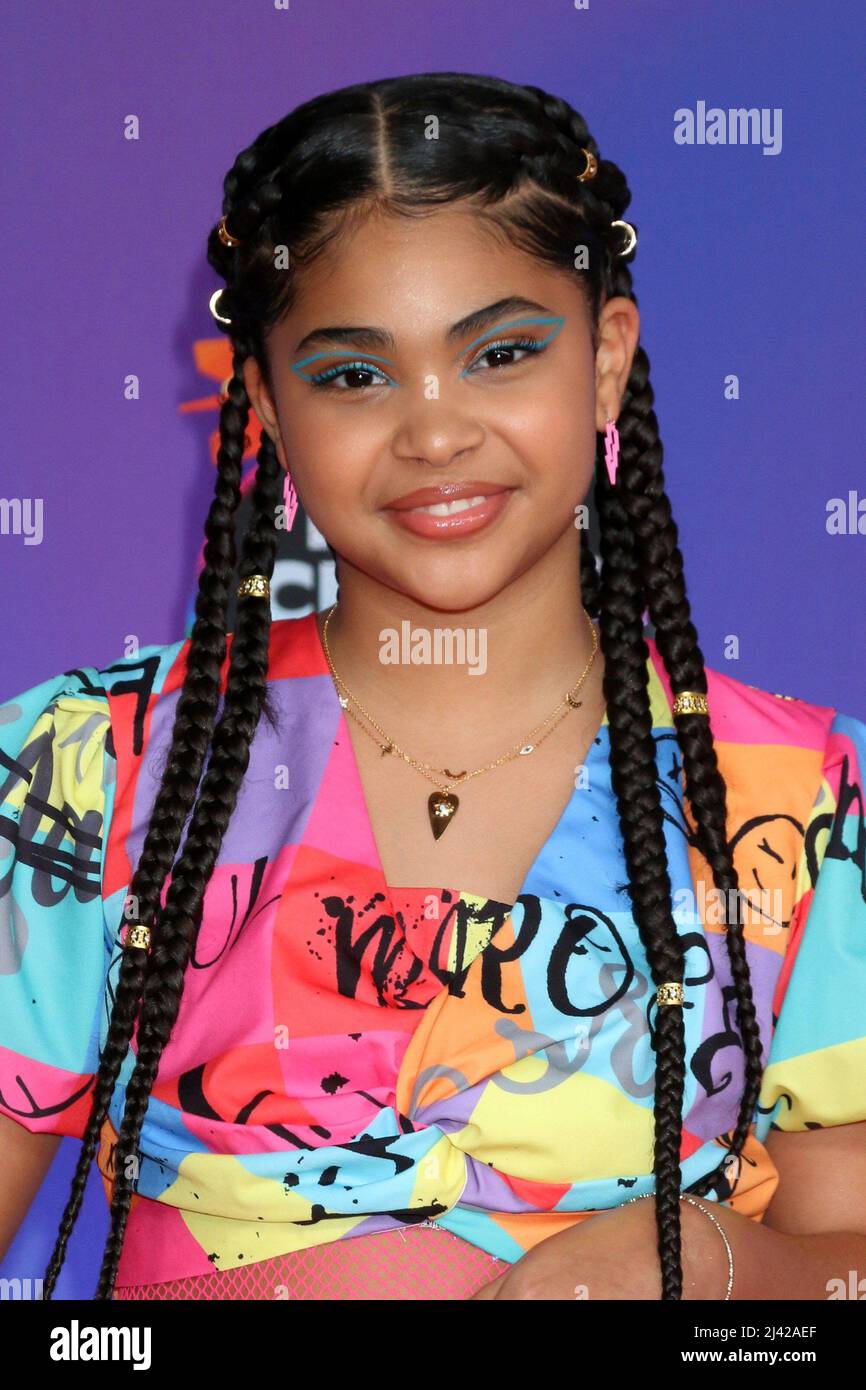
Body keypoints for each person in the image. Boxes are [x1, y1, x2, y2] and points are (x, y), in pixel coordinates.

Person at [1, 71, 865, 1303]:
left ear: (607, 360)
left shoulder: (805, 802)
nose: (434, 432)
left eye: (500, 353)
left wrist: (717, 1264)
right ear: (266, 408)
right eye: (353, 375)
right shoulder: (92, 772)